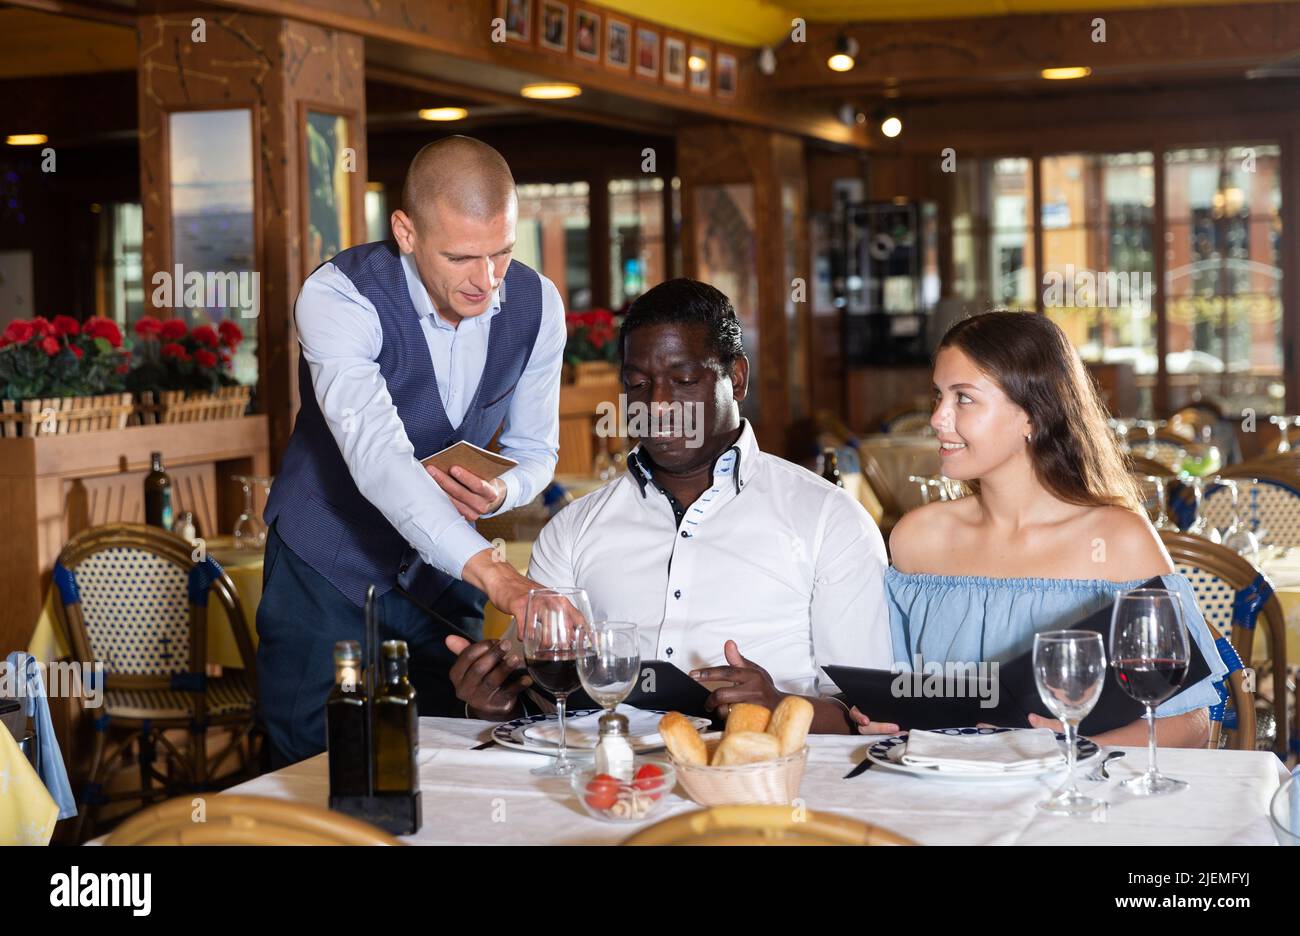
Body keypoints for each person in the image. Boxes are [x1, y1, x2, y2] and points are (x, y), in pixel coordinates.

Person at [447, 278, 892, 733]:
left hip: (764, 783)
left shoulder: (829, 520)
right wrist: (496, 703)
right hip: (608, 782)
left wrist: (777, 707)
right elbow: (542, 694)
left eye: (683, 380)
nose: (657, 404)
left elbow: (869, 713)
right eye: (638, 384)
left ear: (736, 378)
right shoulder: (573, 529)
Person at [257, 136, 566, 765]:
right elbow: (380, 460)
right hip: (326, 567)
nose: (486, 282)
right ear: (405, 230)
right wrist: (498, 576)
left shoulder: (539, 305)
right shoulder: (338, 297)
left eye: (501, 252)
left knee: (452, 758)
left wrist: (503, 489)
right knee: (311, 773)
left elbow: (537, 449)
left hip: (441, 585)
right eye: (460, 257)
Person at [852, 311, 1226, 746]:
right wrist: (878, 716)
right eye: (939, 396)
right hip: (948, 798)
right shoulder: (917, 538)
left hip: (1081, 797)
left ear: (1032, 415)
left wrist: (1070, 750)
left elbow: (1193, 724)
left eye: (964, 398)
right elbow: (896, 692)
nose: (937, 418)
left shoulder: (1118, 540)